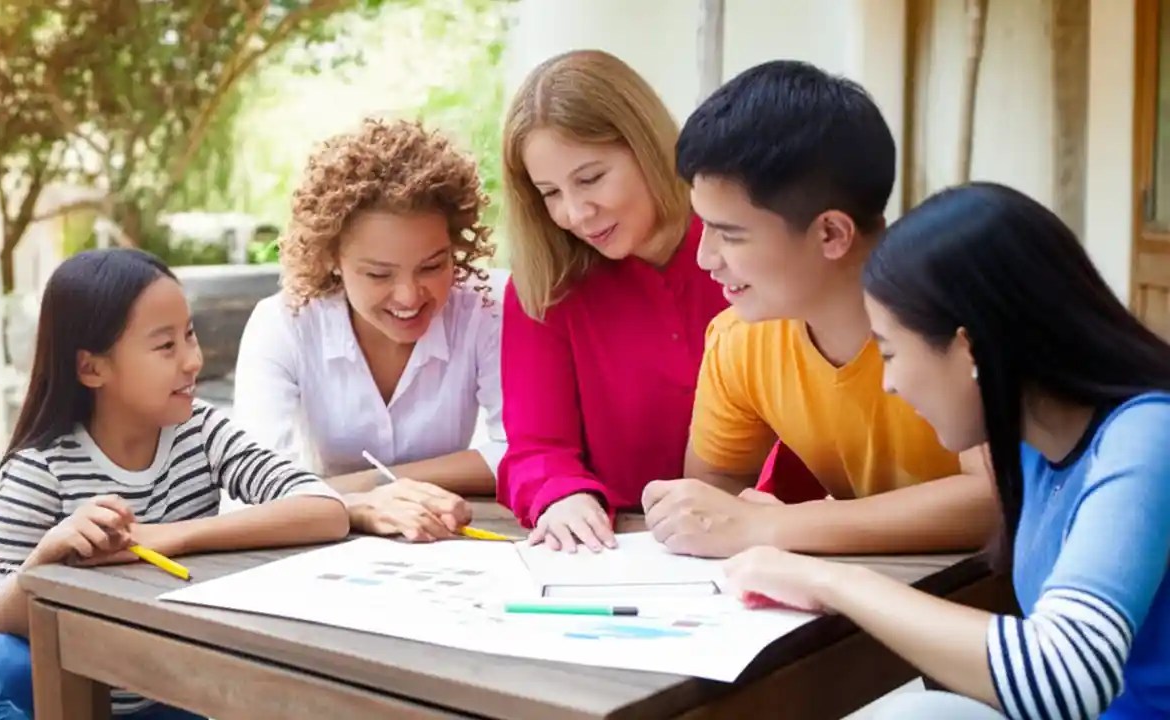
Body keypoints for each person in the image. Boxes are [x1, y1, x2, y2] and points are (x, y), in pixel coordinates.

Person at [725, 182, 1170, 720]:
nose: (890, 384)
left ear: (969, 348)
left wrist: (831, 581)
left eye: (890, 352)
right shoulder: (1033, 449)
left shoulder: (1147, 435)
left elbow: (1064, 675)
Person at [0, 248, 349, 720]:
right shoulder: (39, 470)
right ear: (92, 368)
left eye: (189, 335)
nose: (193, 360)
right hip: (47, 696)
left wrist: (171, 536)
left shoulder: (200, 433)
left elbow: (323, 508)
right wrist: (46, 560)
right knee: (3, 663)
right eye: (166, 346)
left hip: (158, 691)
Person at [642, 60, 997, 558]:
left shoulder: (960, 318)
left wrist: (775, 527)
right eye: (705, 229)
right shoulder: (740, 341)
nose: (705, 259)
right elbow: (712, 501)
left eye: (729, 234)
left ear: (830, 233)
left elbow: (994, 499)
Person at [496, 48, 814, 552]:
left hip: (780, 534)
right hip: (623, 546)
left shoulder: (750, 246)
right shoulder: (546, 286)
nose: (576, 213)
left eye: (590, 178)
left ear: (646, 145)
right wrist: (562, 496)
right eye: (549, 192)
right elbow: (536, 448)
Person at [233, 118, 505, 543]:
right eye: (379, 274)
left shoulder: (484, 309)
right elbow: (252, 488)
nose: (409, 296)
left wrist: (379, 483)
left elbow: (522, 451)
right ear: (333, 260)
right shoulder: (284, 325)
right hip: (319, 548)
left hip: (449, 536)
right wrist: (359, 506)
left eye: (433, 266)